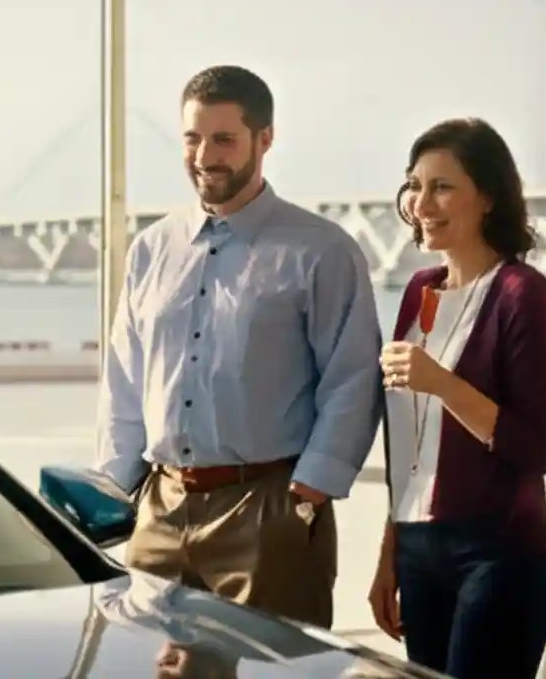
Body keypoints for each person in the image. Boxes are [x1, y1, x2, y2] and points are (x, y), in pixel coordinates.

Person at [93, 64, 384, 629]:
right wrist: (112, 488)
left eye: (224, 139)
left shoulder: (320, 250)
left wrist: (309, 492)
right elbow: (125, 380)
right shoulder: (151, 250)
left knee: (274, 673)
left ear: (265, 140)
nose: (205, 156)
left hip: (268, 512)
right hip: (159, 508)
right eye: (192, 138)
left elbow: (351, 377)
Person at [368, 117, 546, 678]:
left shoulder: (521, 294)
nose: (421, 203)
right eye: (415, 186)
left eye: (442, 186)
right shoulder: (417, 291)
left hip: (497, 554)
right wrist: (390, 554)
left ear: (488, 197)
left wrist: (443, 383)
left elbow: (537, 448)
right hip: (417, 550)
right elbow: (410, 444)